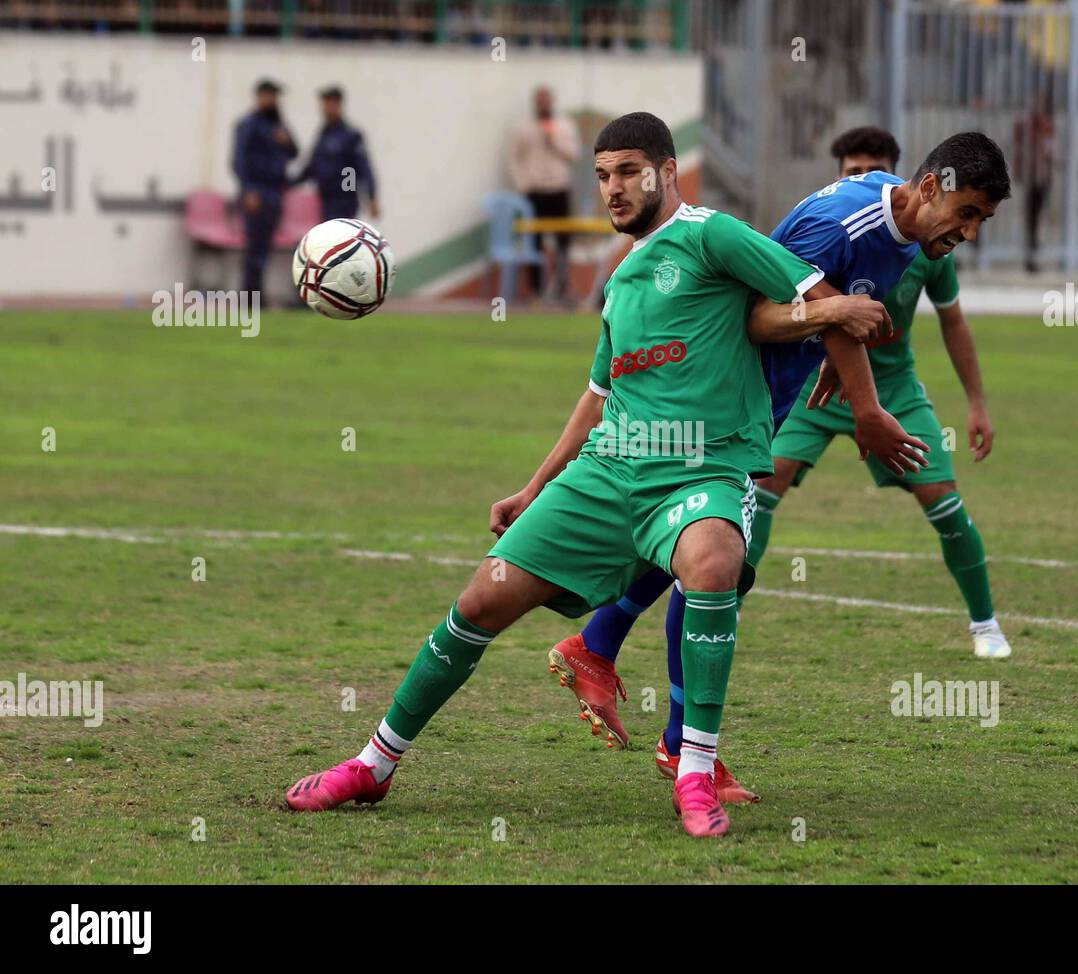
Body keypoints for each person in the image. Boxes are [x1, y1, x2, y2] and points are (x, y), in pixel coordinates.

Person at [284, 112, 913, 838]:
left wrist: (847, 344)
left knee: (711, 561)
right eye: (602, 176)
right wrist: (533, 487)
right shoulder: (618, 281)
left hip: (703, 467)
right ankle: (374, 765)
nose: (611, 189)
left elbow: (812, 295)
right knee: (480, 602)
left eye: (626, 172)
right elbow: (598, 397)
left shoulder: (714, 233)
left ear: (668, 171)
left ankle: (695, 774)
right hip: (608, 471)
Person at [547, 132, 1011, 796]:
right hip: (726, 404)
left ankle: (605, 652)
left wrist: (830, 352)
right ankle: (670, 735)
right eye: (967, 213)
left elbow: (827, 314)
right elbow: (758, 316)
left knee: (704, 561)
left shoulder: (900, 229)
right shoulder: (840, 223)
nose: (969, 231)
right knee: (713, 568)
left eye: (981, 223)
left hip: (759, 401)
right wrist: (866, 405)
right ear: (932, 185)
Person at [507, 86, 581, 302]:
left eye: (547, 100)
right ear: (535, 103)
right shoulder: (523, 128)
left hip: (559, 189)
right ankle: (537, 291)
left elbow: (574, 154)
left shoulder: (564, 126)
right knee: (534, 242)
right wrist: (523, 184)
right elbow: (513, 158)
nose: (544, 104)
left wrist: (553, 139)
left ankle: (562, 286)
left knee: (563, 242)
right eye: (540, 101)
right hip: (535, 192)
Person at [232, 79, 298, 295]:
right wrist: (248, 190)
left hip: (275, 193)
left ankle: (258, 295)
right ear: (260, 96)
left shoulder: (279, 125)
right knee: (254, 248)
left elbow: (294, 152)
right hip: (257, 192)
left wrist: (285, 141)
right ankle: (250, 296)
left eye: (275, 96)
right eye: (269, 95)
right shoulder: (248, 124)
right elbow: (239, 161)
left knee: (265, 248)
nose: (273, 100)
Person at [292, 86, 379, 221]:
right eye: (325, 104)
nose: (327, 108)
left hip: (344, 200)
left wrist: (371, 197)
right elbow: (312, 166)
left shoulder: (350, 135)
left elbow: (364, 168)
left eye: (330, 103)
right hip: (325, 199)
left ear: (339, 105)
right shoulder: (323, 134)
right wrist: (289, 183)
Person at [1013, 91, 1054, 273]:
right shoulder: (1025, 127)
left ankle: (1035, 255)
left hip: (1043, 178)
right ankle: (1030, 258)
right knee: (1030, 219)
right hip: (1031, 177)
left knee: (1038, 219)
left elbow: (1049, 153)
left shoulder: (1048, 127)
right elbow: (1019, 149)